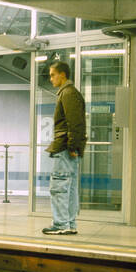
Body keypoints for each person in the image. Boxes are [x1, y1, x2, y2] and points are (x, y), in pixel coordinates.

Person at [43, 60, 85, 235]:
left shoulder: (67, 93)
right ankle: (69, 223)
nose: (51, 78)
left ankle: (61, 224)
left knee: (59, 186)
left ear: (63, 74)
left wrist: (73, 146)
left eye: (53, 75)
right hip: (68, 148)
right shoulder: (69, 93)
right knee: (70, 188)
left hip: (64, 148)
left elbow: (74, 123)